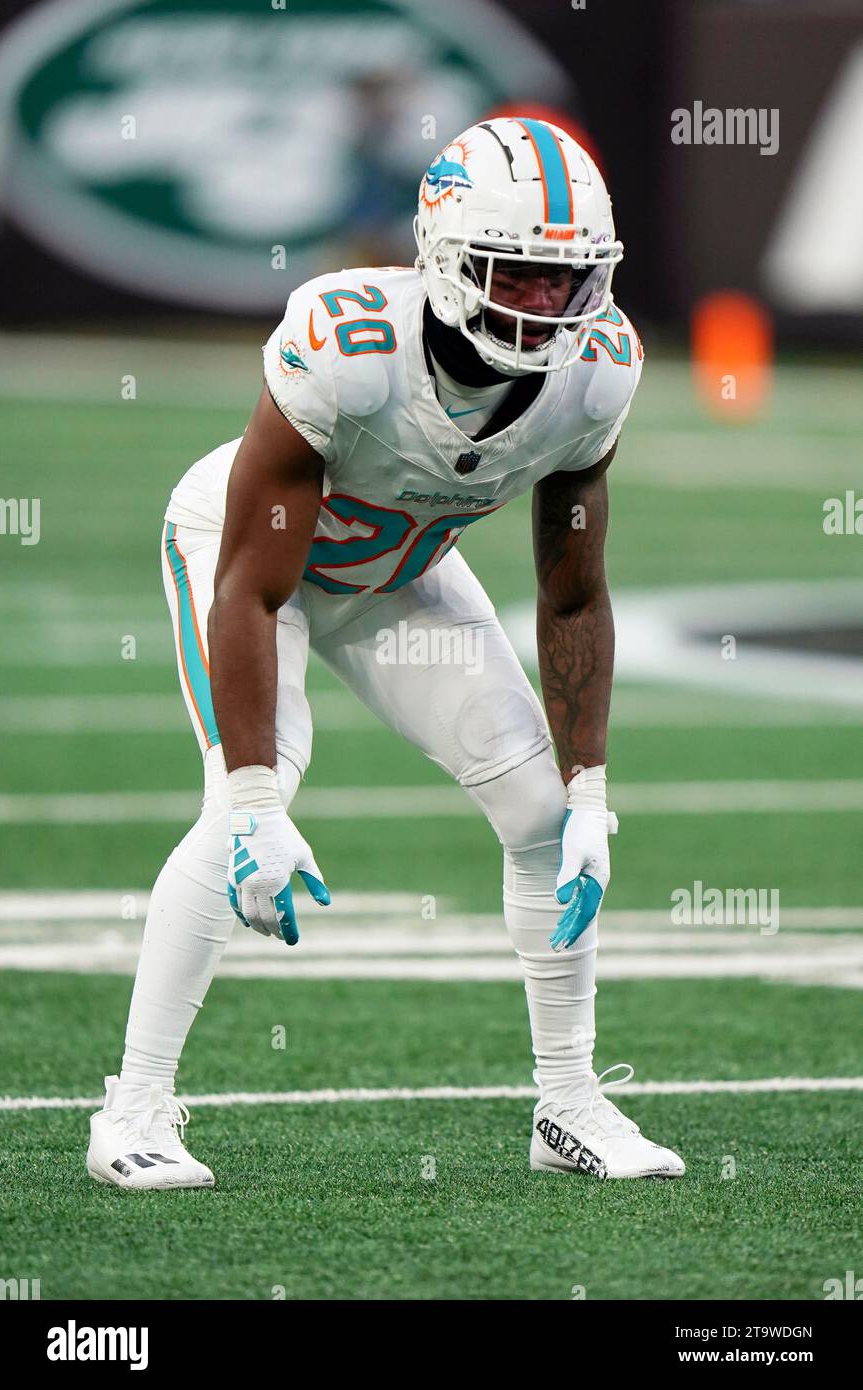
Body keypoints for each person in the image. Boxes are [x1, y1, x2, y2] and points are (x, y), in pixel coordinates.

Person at [87, 117, 685, 1189]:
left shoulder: (596, 371)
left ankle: (568, 1107)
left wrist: (590, 786)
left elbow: (572, 588)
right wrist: (260, 800)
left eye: (567, 279)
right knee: (235, 825)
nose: (547, 305)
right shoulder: (348, 344)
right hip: (242, 557)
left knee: (545, 822)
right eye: (520, 273)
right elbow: (249, 584)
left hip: (395, 569)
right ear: (448, 256)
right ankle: (131, 1107)